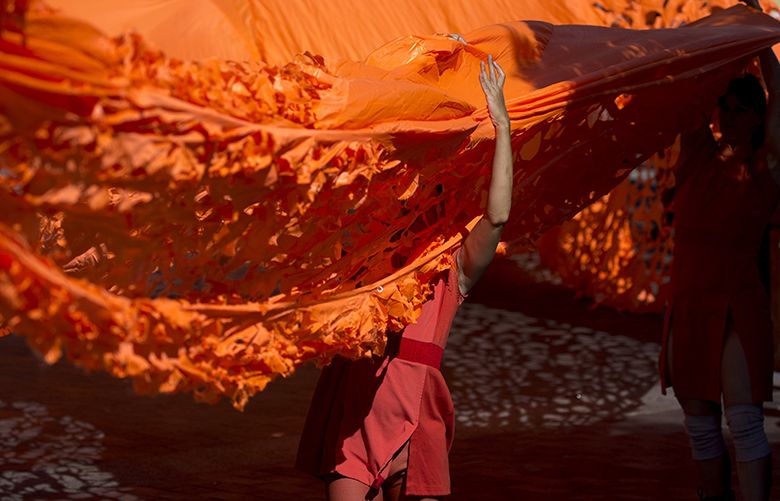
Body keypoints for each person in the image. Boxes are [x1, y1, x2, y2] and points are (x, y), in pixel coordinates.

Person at [295, 51, 513, 501]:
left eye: (427, 195)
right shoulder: (367, 254)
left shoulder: (455, 266)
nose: (415, 205)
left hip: (415, 421)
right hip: (354, 417)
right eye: (407, 198)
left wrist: (503, 128)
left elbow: (496, 216)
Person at [659, 1, 780, 499]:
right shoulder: (697, 158)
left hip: (735, 307)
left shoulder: (764, 168)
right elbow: (691, 93)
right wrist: (723, 52)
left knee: (744, 422)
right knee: (701, 427)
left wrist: (760, 37)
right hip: (688, 303)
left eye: (739, 110)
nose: (727, 117)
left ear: (758, 117)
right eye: (723, 108)